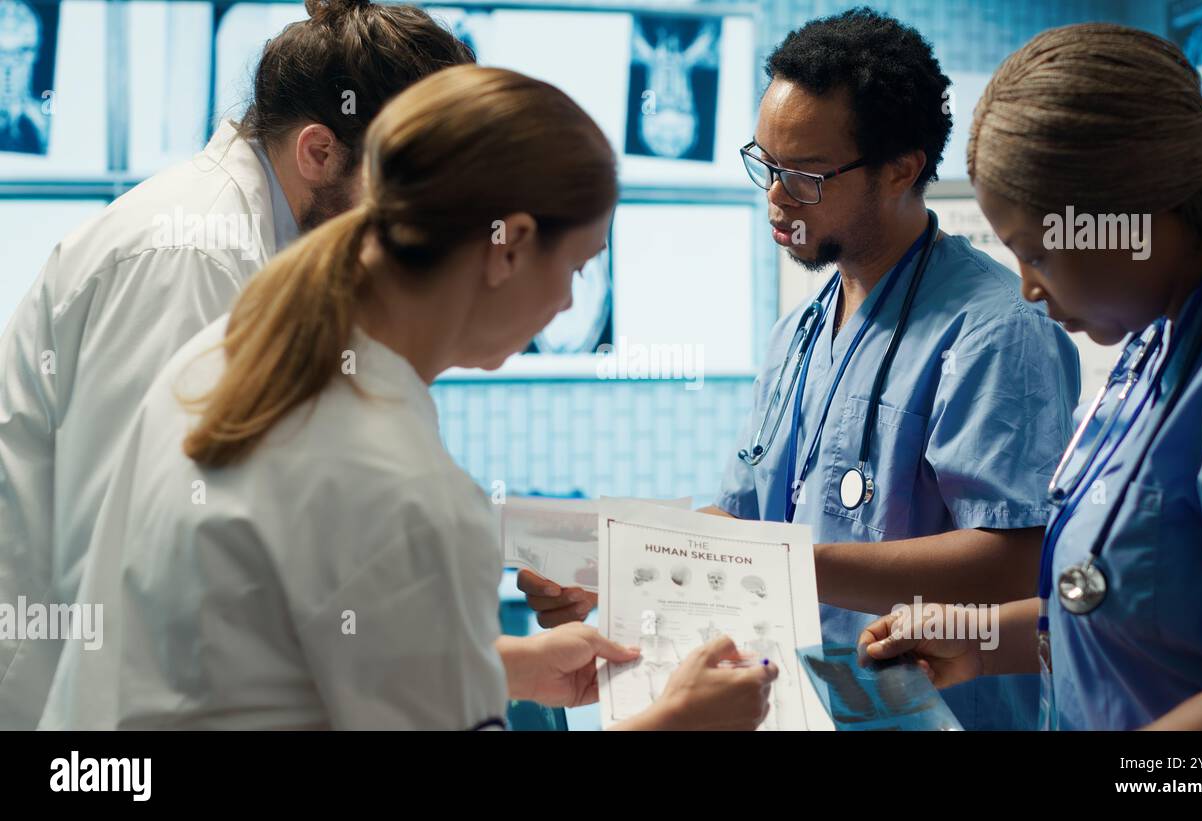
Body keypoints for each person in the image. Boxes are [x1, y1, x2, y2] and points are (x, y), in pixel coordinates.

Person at [39, 65, 777, 731]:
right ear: (510, 244)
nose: (566, 303)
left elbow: (285, 636)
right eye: (578, 267)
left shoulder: (237, 343)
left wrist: (498, 668)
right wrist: (675, 723)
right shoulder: (405, 487)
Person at [519, 7, 1080, 730]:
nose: (776, 196)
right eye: (766, 164)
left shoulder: (998, 330)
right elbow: (746, 518)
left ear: (901, 170)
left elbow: (1017, 557)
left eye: (805, 176)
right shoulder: (801, 330)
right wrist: (617, 576)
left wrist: (790, 567)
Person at [0, 0, 474, 729]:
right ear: (319, 151)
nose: (415, 230)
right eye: (408, 192)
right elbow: (138, 561)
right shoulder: (193, 256)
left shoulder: (263, 246)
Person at [863, 23, 1202, 730]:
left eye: (1037, 253)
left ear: (1125, 215)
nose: (1028, 288)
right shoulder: (1157, 340)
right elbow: (1125, 611)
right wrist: (975, 639)